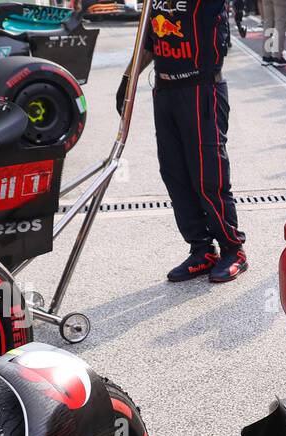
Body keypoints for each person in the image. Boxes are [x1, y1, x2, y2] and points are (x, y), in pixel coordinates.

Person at [118, 0, 248, 283]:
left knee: (208, 176)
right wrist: (128, 77)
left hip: (201, 89)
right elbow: (149, 42)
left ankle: (232, 249)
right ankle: (202, 250)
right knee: (174, 173)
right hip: (165, 92)